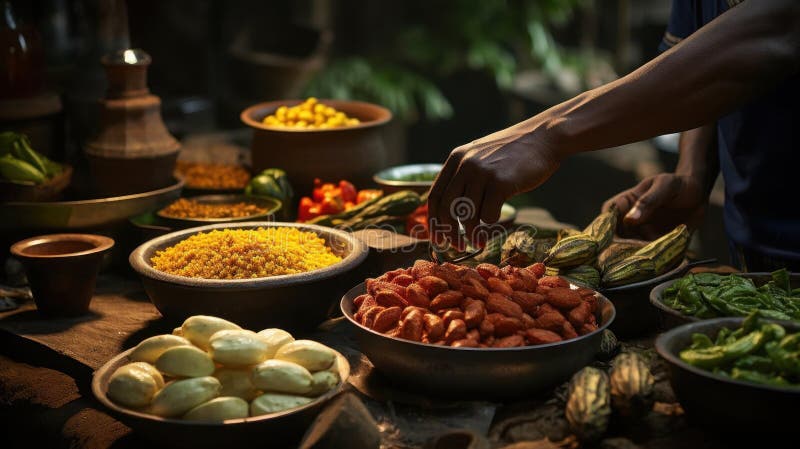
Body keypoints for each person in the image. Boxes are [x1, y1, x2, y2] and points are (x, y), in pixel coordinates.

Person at [428, 0, 800, 271]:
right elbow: (702, 65)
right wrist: (692, 174)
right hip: (751, 248)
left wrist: (546, 134)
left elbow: (778, 29)